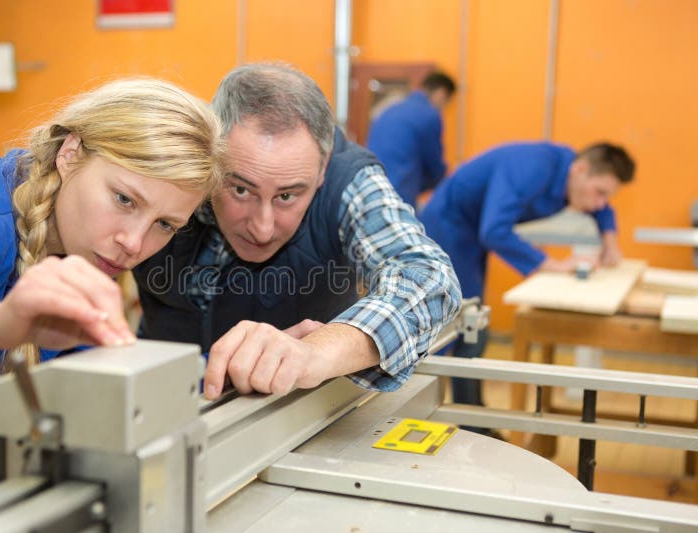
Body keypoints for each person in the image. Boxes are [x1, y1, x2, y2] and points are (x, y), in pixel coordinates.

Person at [0, 77, 225, 517]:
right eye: (124, 199)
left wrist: (229, 372)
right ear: (69, 154)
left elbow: (92, 372)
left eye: (165, 225)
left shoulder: (68, 256)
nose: (133, 243)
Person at [134, 62, 462, 401]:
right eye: (241, 190)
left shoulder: (349, 180)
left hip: (296, 410)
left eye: (287, 196)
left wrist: (317, 351)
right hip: (154, 399)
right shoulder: (173, 154)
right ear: (212, 154)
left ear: (322, 168)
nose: (262, 229)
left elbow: (429, 278)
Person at [418, 141, 635, 413]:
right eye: (600, 193)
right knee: (454, 328)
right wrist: (549, 264)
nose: (600, 203)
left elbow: (603, 210)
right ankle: (416, 412)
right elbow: (494, 230)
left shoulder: (574, 172)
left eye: (607, 196)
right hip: (447, 228)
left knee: (472, 329)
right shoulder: (532, 167)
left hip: (470, 235)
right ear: (580, 170)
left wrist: (610, 240)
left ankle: (471, 417)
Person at [367, 71, 456, 208]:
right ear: (441, 93)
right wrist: (448, 180)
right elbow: (434, 166)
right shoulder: (429, 114)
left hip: (372, 188)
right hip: (400, 190)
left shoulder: (390, 110)